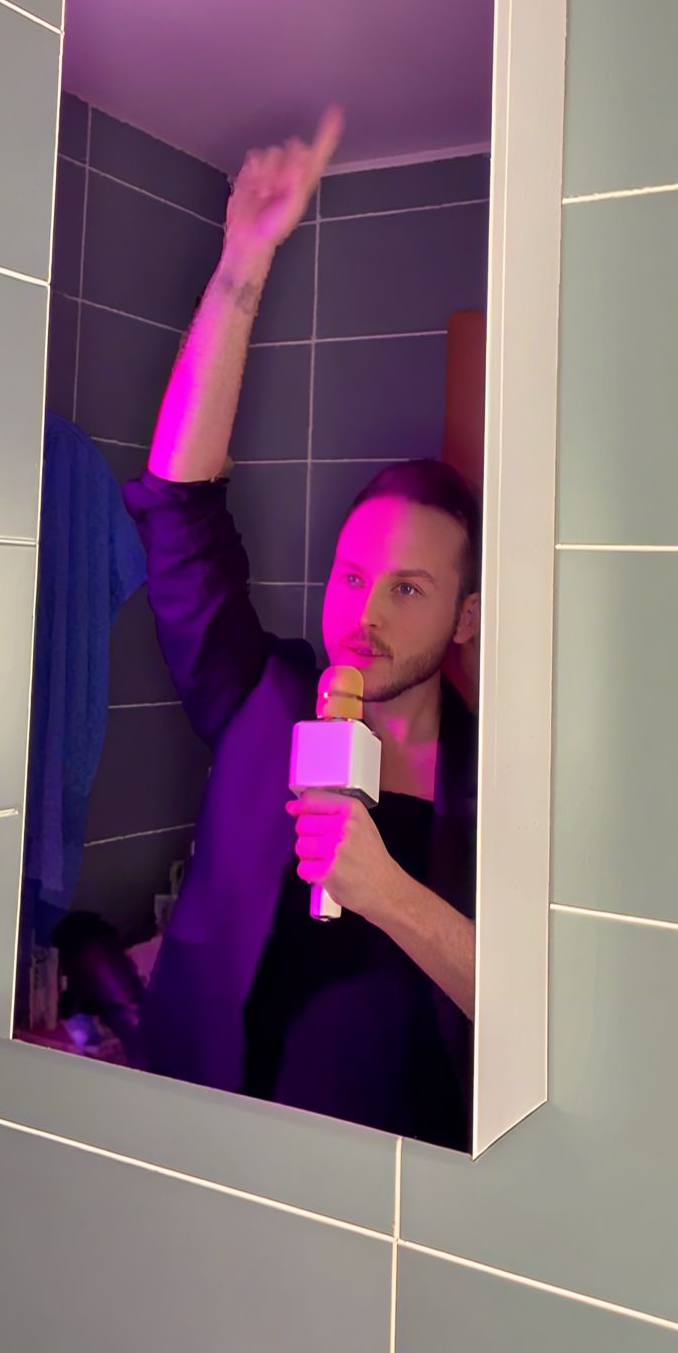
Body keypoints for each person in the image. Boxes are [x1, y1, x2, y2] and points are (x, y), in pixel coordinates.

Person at [122, 110, 481, 1146]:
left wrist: (386, 891)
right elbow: (178, 505)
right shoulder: (263, 700)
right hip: (195, 1137)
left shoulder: (498, 782)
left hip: (398, 1189)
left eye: (408, 589)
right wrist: (243, 261)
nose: (365, 612)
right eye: (354, 575)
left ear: (465, 617)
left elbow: (540, 1014)